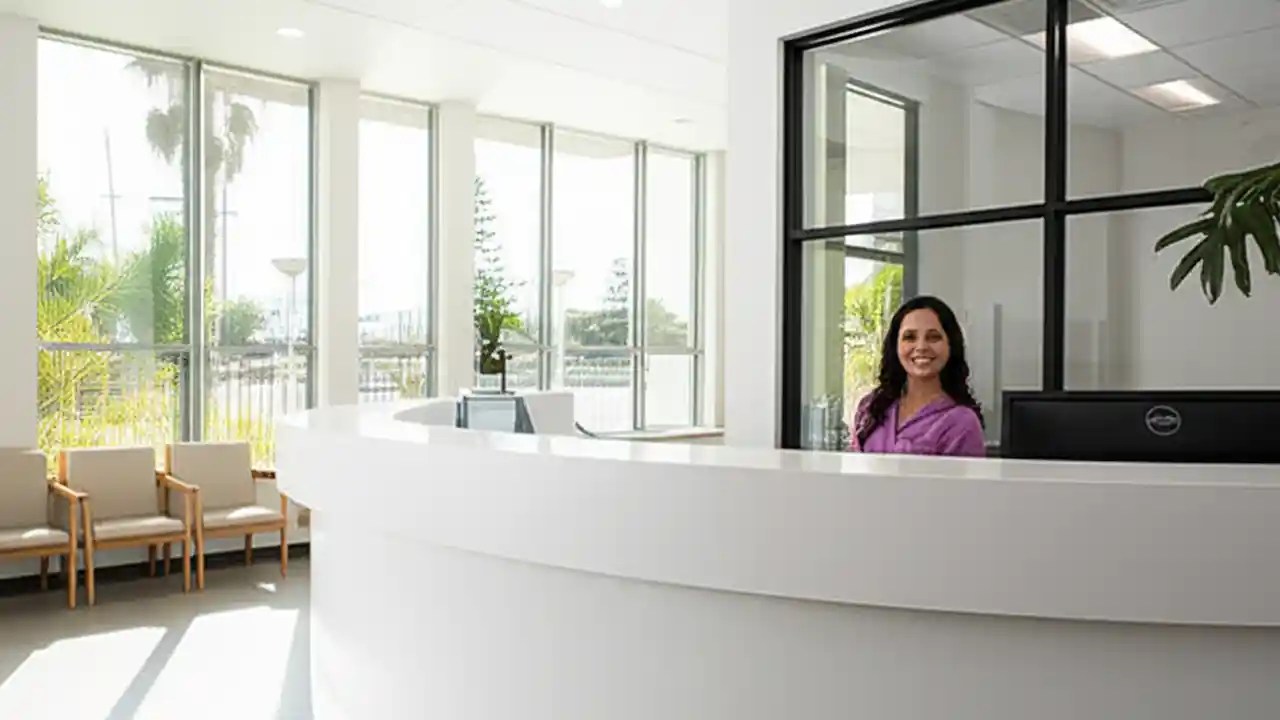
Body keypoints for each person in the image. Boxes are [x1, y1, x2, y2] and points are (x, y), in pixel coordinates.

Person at [850, 295, 986, 457]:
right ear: (896, 346)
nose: (921, 347)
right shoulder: (870, 407)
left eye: (933, 337)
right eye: (910, 337)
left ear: (951, 345)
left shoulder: (962, 423)